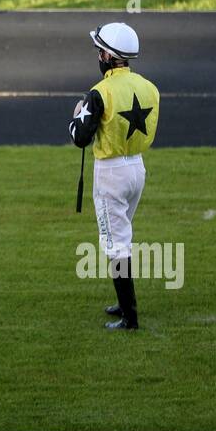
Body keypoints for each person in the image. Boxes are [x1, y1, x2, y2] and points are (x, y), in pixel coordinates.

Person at [68, 22, 160, 331]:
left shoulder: (99, 92)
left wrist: (77, 114)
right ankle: (123, 304)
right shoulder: (149, 87)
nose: (97, 55)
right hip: (137, 169)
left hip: (111, 173)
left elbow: (80, 137)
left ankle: (129, 318)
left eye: (99, 51)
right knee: (122, 236)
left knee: (115, 243)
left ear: (108, 56)